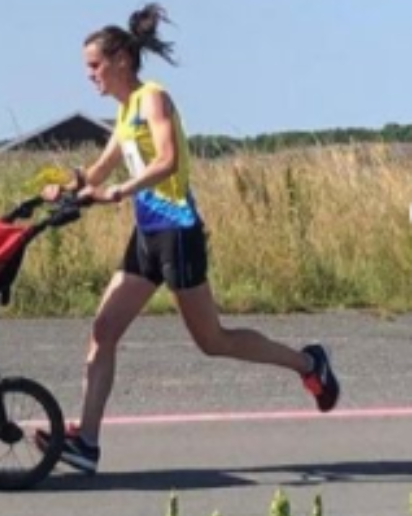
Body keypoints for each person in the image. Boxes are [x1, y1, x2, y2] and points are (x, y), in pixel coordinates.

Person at [36, 3, 340, 475]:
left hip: (177, 232)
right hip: (146, 236)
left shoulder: (152, 98)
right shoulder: (123, 114)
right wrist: (64, 185)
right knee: (103, 331)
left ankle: (308, 363)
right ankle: (87, 442)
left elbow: (168, 161)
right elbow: (95, 172)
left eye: (94, 66)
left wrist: (118, 191)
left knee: (212, 340)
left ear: (120, 60)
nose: (89, 76)